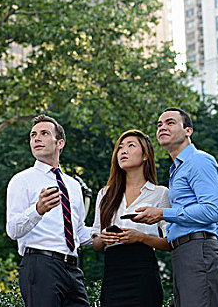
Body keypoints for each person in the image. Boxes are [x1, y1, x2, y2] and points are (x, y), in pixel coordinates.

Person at [133, 107, 218, 307]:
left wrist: (161, 213)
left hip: (197, 250)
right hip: (185, 252)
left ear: (188, 131)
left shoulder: (199, 161)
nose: (162, 128)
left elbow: (211, 211)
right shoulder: (177, 169)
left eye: (170, 123)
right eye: (159, 125)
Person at [6, 115, 92, 307]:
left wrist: (107, 233)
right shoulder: (21, 180)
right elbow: (12, 230)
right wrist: (38, 210)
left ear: (59, 142)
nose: (37, 138)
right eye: (33, 135)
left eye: (44, 133)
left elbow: (78, 232)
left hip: (72, 269)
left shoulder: (73, 185)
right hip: (40, 266)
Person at [92, 130, 171, 307]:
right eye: (120, 148)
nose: (123, 151)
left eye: (131, 146)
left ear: (145, 155)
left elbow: (170, 243)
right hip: (113, 273)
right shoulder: (105, 194)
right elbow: (96, 243)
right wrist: (104, 238)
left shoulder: (160, 193)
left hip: (143, 272)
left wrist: (141, 238)